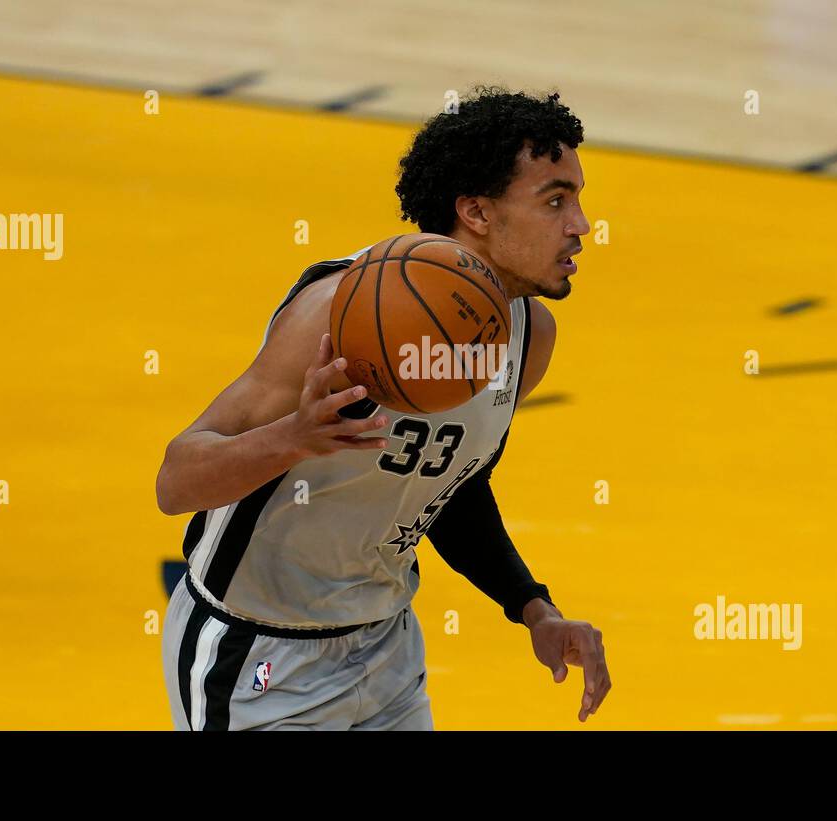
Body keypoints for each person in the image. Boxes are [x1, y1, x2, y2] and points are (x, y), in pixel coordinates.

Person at [157, 87, 611, 730]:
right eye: (555, 200)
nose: (581, 225)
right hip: (259, 657)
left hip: (385, 649)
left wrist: (533, 608)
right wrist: (294, 437)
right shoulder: (343, 312)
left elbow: (449, 486)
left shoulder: (528, 333)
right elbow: (177, 481)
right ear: (477, 212)